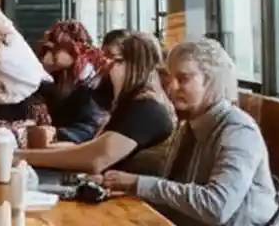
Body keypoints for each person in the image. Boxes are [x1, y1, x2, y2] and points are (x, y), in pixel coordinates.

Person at [100, 38, 279, 226]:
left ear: (211, 81)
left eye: (183, 79)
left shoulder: (238, 131)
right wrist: (118, 186)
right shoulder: (189, 125)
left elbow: (216, 207)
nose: (171, 88)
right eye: (169, 78)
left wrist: (137, 184)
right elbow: (176, 198)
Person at [16, 32, 174, 173]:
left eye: (116, 61)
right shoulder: (135, 104)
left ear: (135, 66)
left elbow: (95, 159)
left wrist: (20, 156)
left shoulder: (147, 110)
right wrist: (34, 152)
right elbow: (89, 149)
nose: (109, 68)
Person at [37, 20, 109, 143]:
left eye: (54, 49)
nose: (47, 56)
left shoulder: (91, 79)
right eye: (46, 49)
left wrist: (56, 134)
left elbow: (91, 127)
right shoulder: (55, 77)